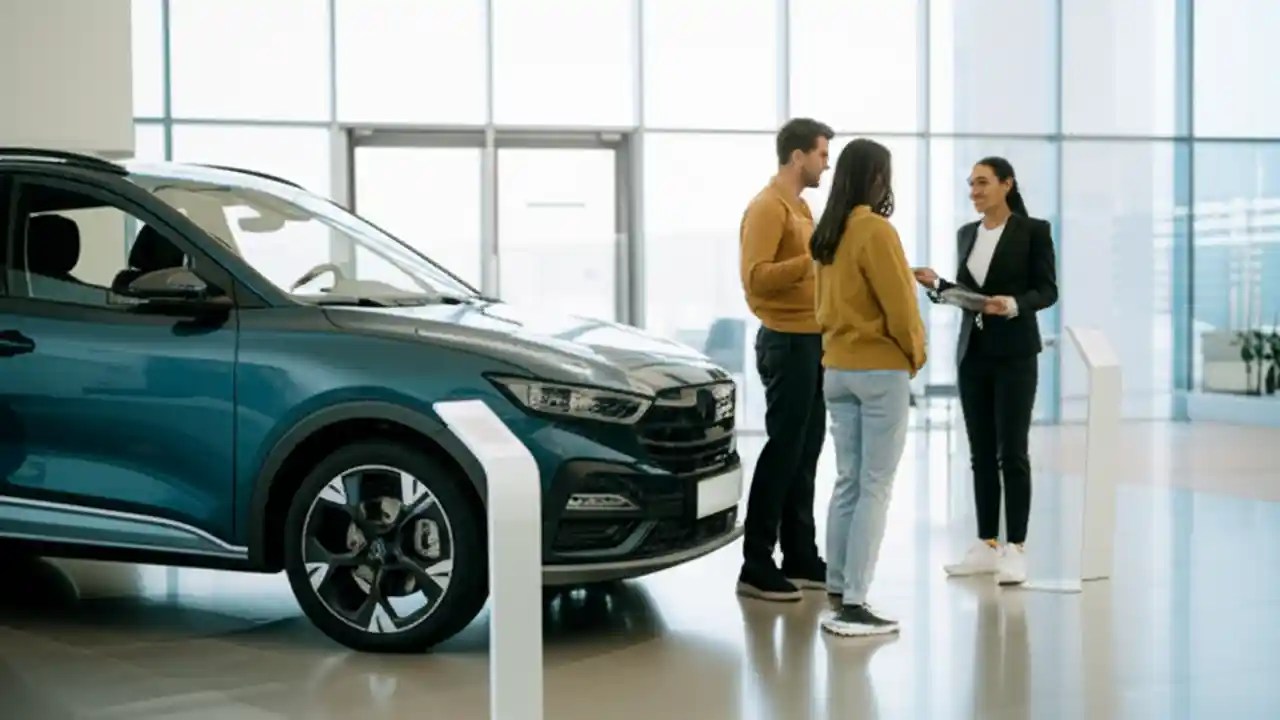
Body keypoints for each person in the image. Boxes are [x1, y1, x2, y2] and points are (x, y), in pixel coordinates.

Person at [912, 156, 1058, 586]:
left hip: (1015, 354)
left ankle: (1016, 548)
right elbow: (969, 295)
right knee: (979, 454)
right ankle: (986, 544)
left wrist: (1013, 305)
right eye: (971, 184)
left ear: (1006, 184)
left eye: (982, 183)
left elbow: (1047, 290)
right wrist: (938, 286)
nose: (974, 191)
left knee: (1011, 453)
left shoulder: (1034, 231)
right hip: (972, 354)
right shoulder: (966, 235)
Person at [811, 138, 926, 637]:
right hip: (879, 370)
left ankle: (838, 587)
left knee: (849, 481)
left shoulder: (828, 232)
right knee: (875, 485)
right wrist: (916, 354)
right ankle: (856, 603)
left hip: (836, 367)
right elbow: (900, 306)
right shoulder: (875, 229)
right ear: (876, 177)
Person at [736, 117, 833, 602]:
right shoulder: (767, 207)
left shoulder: (802, 207)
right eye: (821, 154)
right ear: (798, 156)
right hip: (786, 341)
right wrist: (811, 259)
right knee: (783, 451)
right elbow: (756, 278)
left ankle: (800, 555)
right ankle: (756, 563)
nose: (826, 164)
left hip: (813, 341)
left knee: (806, 452)